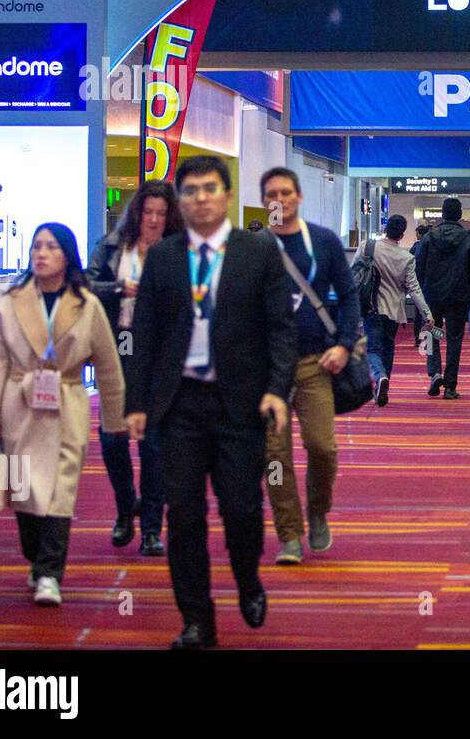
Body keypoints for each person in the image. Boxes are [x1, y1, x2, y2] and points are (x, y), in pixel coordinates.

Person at [124, 155, 296, 649]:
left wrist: (276, 390)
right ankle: (196, 619)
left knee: (241, 508)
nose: (201, 197)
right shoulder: (164, 257)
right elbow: (144, 333)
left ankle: (247, 579)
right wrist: (137, 400)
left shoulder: (257, 252)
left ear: (225, 195)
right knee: (184, 515)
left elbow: (281, 330)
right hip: (178, 405)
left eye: (210, 188)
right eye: (191, 190)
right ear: (182, 200)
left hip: (239, 403)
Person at [0, 223, 125, 606]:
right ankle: (36, 557)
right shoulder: (11, 302)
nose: (41, 254)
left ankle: (49, 574)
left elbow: (108, 364)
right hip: (19, 406)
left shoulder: (86, 304)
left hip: (67, 403)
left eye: (51, 247)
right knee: (25, 494)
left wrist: (115, 420)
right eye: (36, 246)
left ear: (67, 255)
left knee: (60, 492)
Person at [261, 167, 361, 566]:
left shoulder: (322, 241)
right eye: (272, 194)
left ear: (298, 197)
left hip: (314, 362)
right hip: (267, 370)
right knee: (273, 456)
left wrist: (344, 345)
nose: (280, 200)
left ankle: (318, 508)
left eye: (286, 192)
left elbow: (350, 296)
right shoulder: (255, 246)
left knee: (322, 447)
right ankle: (288, 533)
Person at [87, 181, 184, 556]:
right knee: (113, 438)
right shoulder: (112, 247)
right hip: (117, 345)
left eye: (162, 214)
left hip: (160, 353)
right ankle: (126, 506)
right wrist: (119, 288)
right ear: (137, 213)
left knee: (154, 445)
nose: (155, 220)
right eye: (149, 213)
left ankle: (151, 527)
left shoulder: (179, 250)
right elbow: (88, 285)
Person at [416, 198, 470, 400]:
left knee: (432, 334)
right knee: (455, 339)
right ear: (460, 214)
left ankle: (435, 372)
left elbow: (419, 267)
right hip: (458, 297)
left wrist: (422, 291)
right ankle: (450, 386)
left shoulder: (429, 238)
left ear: (442, 214)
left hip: (432, 296)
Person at [366, 214, 433, 409]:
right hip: (394, 311)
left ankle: (380, 378)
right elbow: (414, 288)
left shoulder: (368, 247)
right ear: (402, 234)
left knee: (372, 349)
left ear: (385, 228)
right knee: (388, 347)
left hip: (371, 307)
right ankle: (383, 382)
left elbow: (354, 273)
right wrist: (427, 314)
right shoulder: (407, 258)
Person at [411, 223, 431, 349]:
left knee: (419, 312)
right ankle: (428, 340)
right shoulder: (433, 246)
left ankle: (418, 338)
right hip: (430, 283)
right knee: (429, 312)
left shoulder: (416, 247)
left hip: (418, 283)